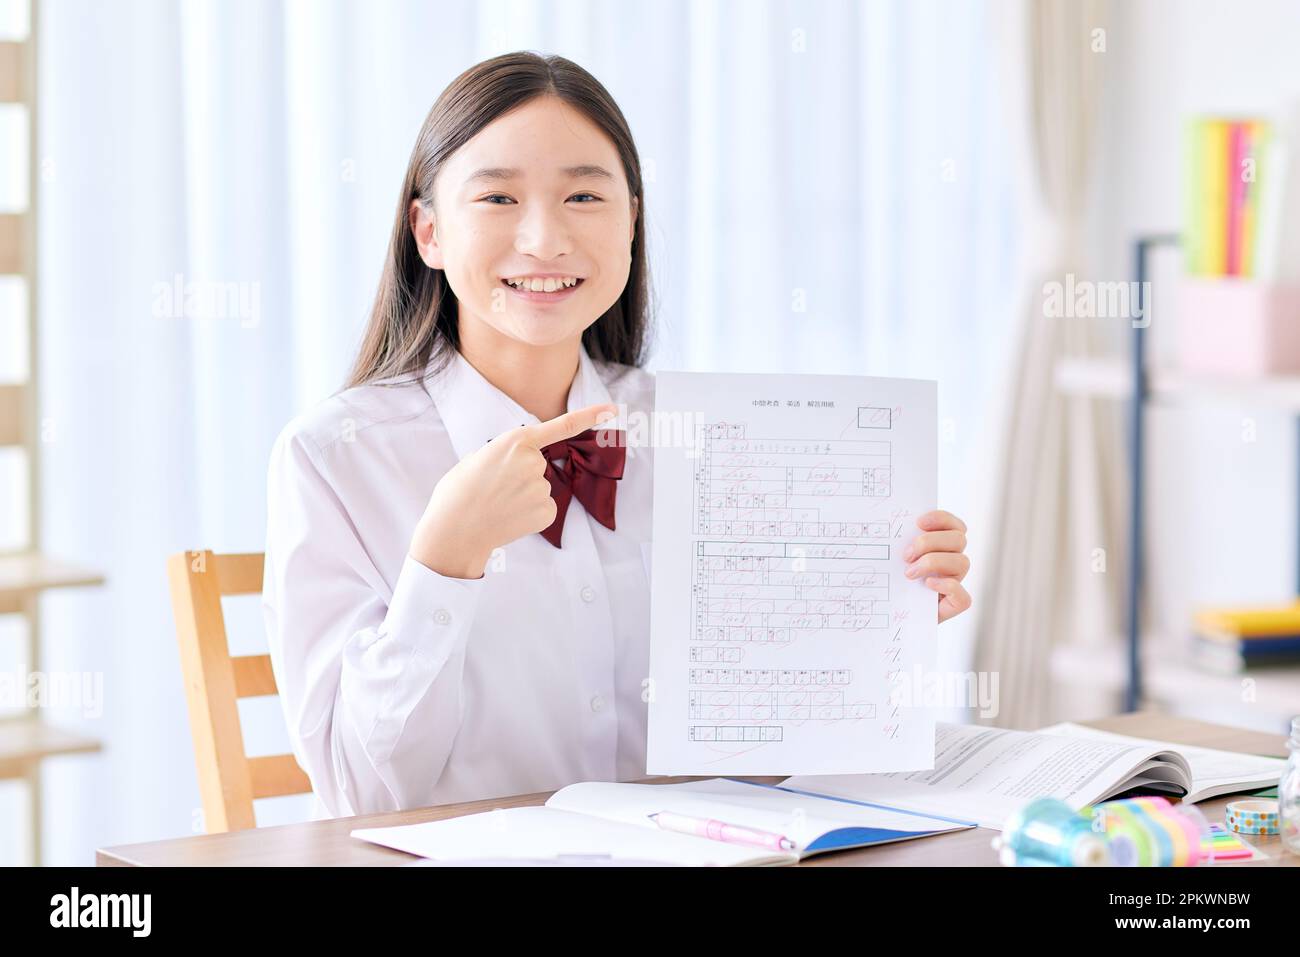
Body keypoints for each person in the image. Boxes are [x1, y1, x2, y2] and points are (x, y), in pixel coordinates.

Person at [262, 51, 972, 819]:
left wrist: (869, 621)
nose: (544, 239)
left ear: (631, 220)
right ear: (428, 232)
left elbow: (766, 764)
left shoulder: (709, 439)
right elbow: (357, 794)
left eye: (583, 195)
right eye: (498, 196)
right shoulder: (334, 460)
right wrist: (443, 560)